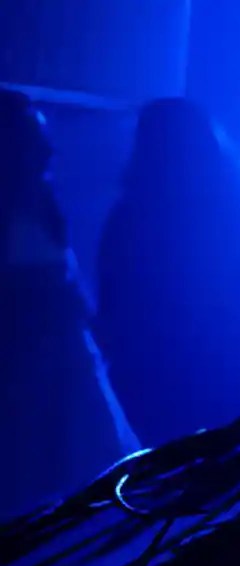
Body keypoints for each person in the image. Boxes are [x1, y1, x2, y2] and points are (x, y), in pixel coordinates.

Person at [96, 99, 240, 448]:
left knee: (173, 486)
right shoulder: (233, 211)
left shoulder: (128, 219)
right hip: (236, 364)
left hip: (157, 375)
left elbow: (113, 311)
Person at [0, 90, 126, 519]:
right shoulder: (31, 208)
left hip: (58, 361)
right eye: (35, 136)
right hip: (35, 365)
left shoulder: (39, 204)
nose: (48, 147)